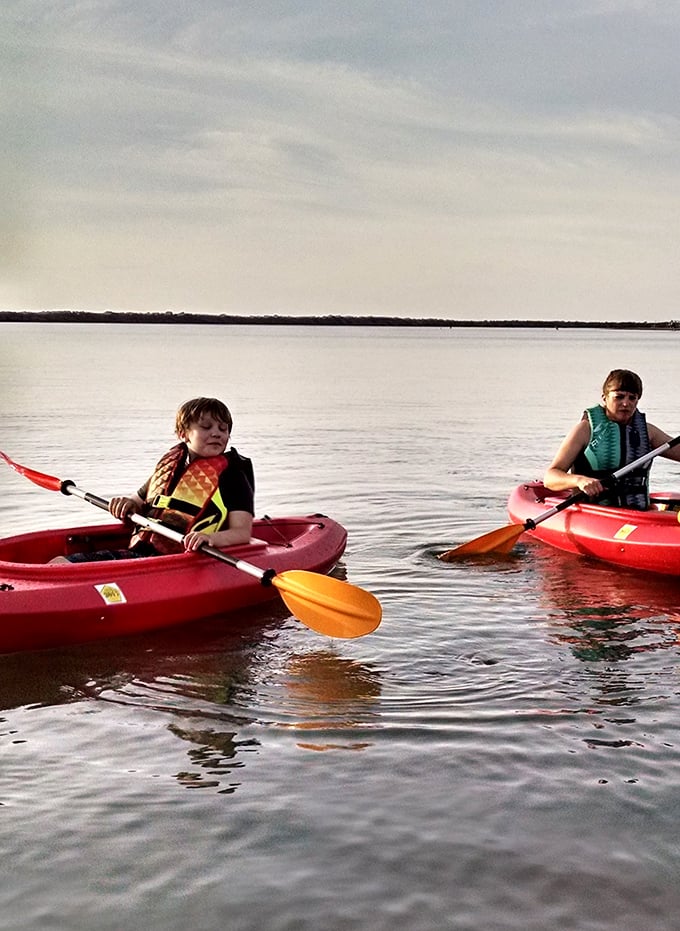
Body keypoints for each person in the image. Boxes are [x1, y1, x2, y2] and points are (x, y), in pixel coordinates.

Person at [54, 397, 254, 563]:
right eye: (206, 427)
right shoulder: (171, 469)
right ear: (183, 434)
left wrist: (209, 538)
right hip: (143, 553)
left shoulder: (233, 476)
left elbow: (242, 532)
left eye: (223, 429)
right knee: (58, 563)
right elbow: (137, 501)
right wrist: (125, 503)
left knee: (62, 565)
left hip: (178, 559)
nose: (216, 433)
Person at [543, 369, 680, 510]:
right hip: (595, 512)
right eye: (619, 397)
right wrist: (580, 480)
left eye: (632, 398)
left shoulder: (648, 432)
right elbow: (550, 478)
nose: (626, 403)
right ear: (605, 398)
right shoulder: (585, 430)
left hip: (639, 513)